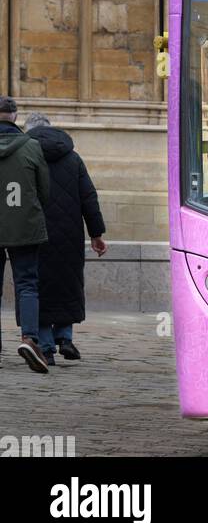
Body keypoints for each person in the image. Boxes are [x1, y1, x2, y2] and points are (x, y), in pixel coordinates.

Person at [23, 113, 106, 365]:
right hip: (69, 233)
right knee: (67, 282)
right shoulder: (72, 158)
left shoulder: (24, 156)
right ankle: (65, 337)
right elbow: (88, 197)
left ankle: (46, 346)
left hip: (34, 232)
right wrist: (96, 234)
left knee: (38, 286)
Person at [0, 96, 50, 373]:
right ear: (15, 117)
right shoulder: (31, 147)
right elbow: (45, 191)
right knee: (27, 284)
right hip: (24, 226)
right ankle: (30, 338)